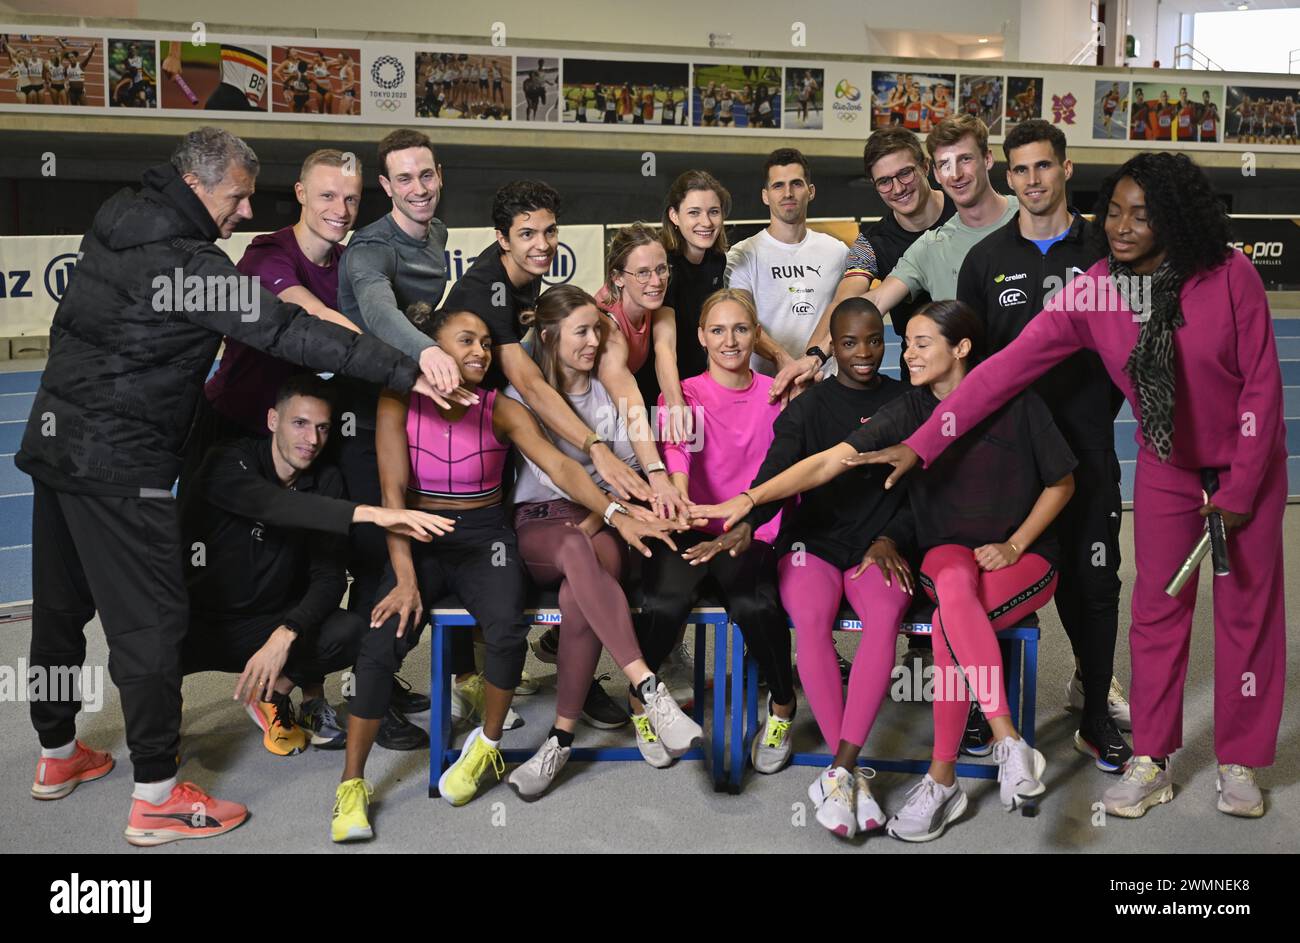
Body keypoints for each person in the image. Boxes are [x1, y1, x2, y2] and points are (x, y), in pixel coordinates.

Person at [18, 127, 451, 847]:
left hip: (54, 443)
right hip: (123, 464)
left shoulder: (115, 216)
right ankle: (156, 794)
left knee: (58, 615)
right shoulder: (189, 267)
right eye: (238, 195)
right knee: (152, 624)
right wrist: (405, 370)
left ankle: (57, 754)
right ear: (195, 185)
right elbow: (287, 331)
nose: (247, 211)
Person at [857, 152, 1286, 822]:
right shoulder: (1093, 290)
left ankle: (1239, 758)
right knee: (1155, 611)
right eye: (1113, 210)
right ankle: (1152, 754)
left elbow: (1262, 384)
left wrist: (1242, 484)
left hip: (1245, 466)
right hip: (1170, 466)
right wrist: (923, 440)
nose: (1121, 225)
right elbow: (1000, 372)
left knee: (1246, 613)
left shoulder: (1228, 276)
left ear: (1175, 220)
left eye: (1142, 215)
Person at [691, 300, 1076, 839]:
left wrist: (1002, 544)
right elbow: (820, 464)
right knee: (912, 603)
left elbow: (1059, 482)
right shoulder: (903, 406)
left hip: (958, 551)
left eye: (913, 343)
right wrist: (750, 505)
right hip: (889, 550)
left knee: (931, 622)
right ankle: (967, 751)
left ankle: (934, 771)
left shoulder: (987, 401)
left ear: (959, 348)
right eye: (906, 342)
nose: (894, 353)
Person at [331, 306, 678, 840]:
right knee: (381, 641)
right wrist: (403, 576)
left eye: (486, 344)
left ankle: (487, 748)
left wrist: (612, 512)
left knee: (507, 630)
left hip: (485, 537)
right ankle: (352, 785)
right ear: (432, 349)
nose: (478, 352)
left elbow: (560, 468)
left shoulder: (500, 408)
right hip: (418, 533)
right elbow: (392, 496)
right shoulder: (398, 398)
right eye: (464, 341)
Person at [956, 119, 1131, 767]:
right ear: (1008, 177)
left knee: (1093, 582)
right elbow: (969, 366)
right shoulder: (985, 261)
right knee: (997, 578)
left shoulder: (1105, 253)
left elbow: (1130, 356)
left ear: (1066, 168)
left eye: (1043, 167)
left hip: (1085, 454)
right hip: (1011, 465)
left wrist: (1088, 415)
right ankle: (984, 699)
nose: (1032, 180)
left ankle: (1091, 712)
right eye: (1020, 170)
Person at [182, 375, 448, 755]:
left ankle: (275, 693)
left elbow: (328, 578)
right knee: (139, 654)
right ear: (273, 420)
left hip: (269, 622)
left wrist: (286, 632)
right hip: (202, 622)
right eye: (300, 424)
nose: (312, 440)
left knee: (351, 631)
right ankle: (164, 722)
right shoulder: (227, 461)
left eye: (322, 428)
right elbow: (272, 505)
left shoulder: (325, 480)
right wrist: (371, 513)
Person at [505, 287, 700, 796]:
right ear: (548, 337)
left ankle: (558, 741)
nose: (594, 342)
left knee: (578, 595)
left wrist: (617, 512)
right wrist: (603, 514)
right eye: (581, 332)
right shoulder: (520, 397)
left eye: (598, 330)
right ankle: (647, 685)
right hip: (543, 523)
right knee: (572, 550)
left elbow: (630, 472)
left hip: (604, 523)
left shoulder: (607, 393)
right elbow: (558, 472)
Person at [735, 298, 913, 838]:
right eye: (851, 342)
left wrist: (890, 537)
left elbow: (925, 491)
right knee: (811, 622)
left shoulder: (907, 401)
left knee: (883, 621)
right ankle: (846, 773)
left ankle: (839, 771)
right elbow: (775, 474)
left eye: (874, 341)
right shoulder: (808, 410)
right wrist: (746, 518)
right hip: (811, 544)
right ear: (831, 346)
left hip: (877, 547)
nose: (864, 353)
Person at [636, 288, 799, 774]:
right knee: (666, 603)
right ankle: (639, 702)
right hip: (688, 524)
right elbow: (677, 453)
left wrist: (747, 524)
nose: (731, 340)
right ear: (702, 337)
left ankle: (783, 710)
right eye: (719, 330)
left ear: (755, 335)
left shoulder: (777, 394)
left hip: (749, 528)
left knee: (755, 604)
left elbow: (783, 475)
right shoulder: (682, 394)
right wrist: (681, 501)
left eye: (741, 329)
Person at [785, 126, 955, 397]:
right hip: (920, 378)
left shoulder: (965, 213)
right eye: (884, 181)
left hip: (983, 362)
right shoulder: (870, 244)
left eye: (905, 173)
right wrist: (814, 356)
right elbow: (845, 302)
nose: (898, 188)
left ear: (925, 166)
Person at [724, 148, 847, 384]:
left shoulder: (837, 252)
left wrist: (813, 361)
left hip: (823, 382)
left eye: (796, 184)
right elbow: (742, 321)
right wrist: (784, 360)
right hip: (766, 386)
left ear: (810, 191)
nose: (788, 193)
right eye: (778, 186)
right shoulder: (743, 255)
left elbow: (845, 317)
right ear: (765, 195)